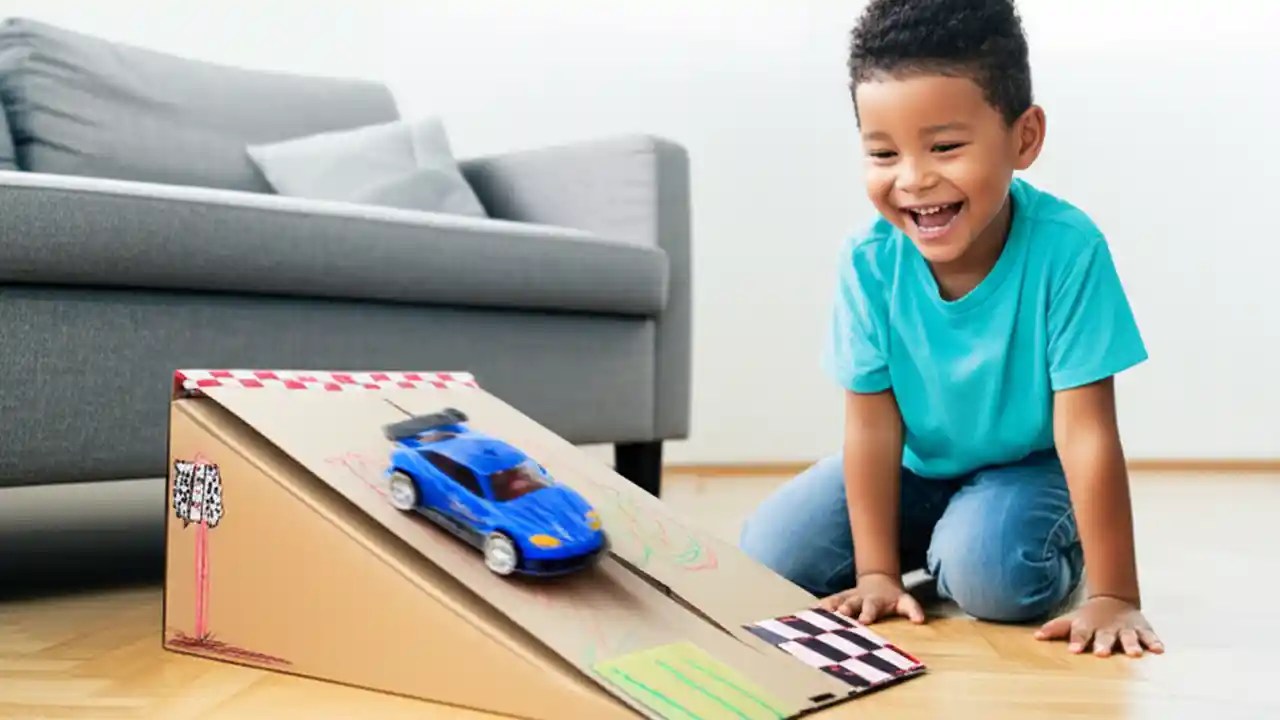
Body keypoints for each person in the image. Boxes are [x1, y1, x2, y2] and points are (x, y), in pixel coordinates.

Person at [738, 0, 1164, 658]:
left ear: (1024, 138)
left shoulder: (1067, 249)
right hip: (917, 470)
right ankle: (935, 545)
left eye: (945, 147)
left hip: (1026, 469)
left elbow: (1086, 432)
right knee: (767, 555)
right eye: (883, 152)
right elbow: (872, 426)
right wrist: (876, 573)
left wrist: (1116, 594)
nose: (913, 179)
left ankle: (1041, 542)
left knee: (995, 580)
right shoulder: (869, 262)